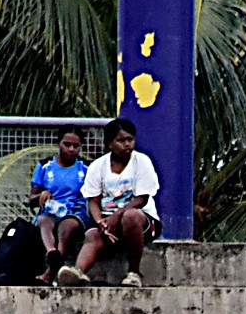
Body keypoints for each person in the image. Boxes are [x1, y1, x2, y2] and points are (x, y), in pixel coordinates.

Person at [59, 118, 159, 288]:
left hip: (141, 222)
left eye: (130, 139)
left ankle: (134, 272)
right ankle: (78, 272)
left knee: (130, 216)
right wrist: (101, 222)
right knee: (92, 235)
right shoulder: (98, 166)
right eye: (121, 141)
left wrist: (116, 216)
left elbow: (142, 199)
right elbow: (93, 201)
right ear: (110, 144)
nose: (127, 144)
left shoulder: (142, 162)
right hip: (108, 221)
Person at [28, 127, 91, 285]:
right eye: (67, 144)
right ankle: (52, 252)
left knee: (67, 226)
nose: (71, 149)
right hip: (51, 211)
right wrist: (41, 196)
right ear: (58, 144)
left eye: (75, 146)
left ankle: (51, 271)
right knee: (44, 221)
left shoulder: (86, 168)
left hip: (74, 213)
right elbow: (31, 199)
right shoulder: (44, 166)